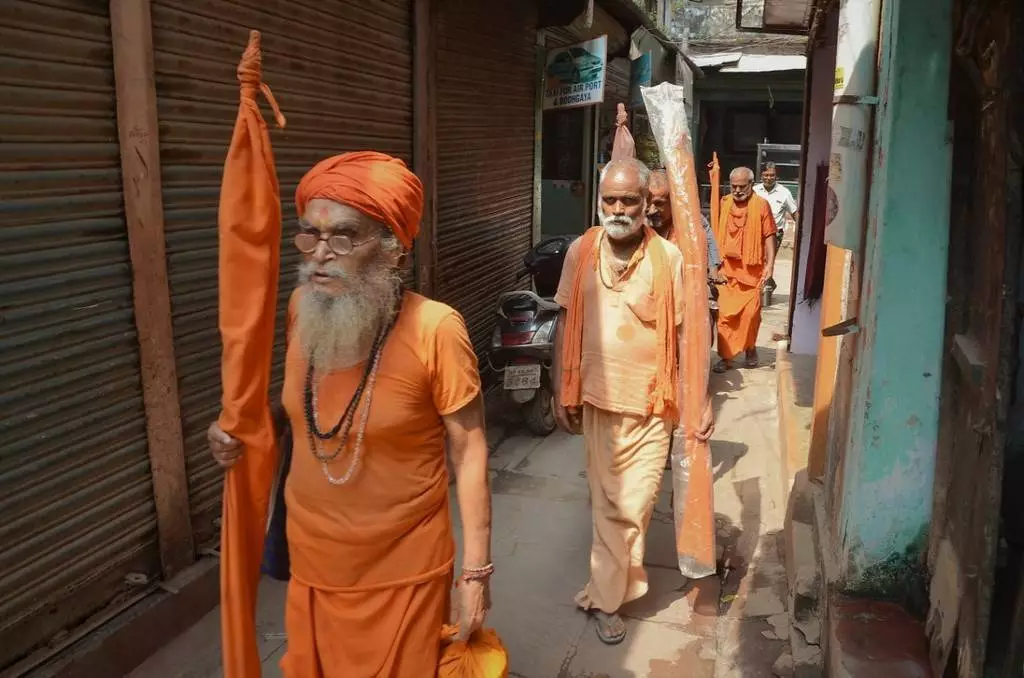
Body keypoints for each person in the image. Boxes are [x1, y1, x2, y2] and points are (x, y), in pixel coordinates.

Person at [206, 152, 493, 676]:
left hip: (403, 573)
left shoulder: (437, 329)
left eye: (342, 237)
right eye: (309, 236)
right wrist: (238, 433)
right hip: (312, 562)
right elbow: (304, 415)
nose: (319, 255)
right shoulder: (300, 308)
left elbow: (470, 450)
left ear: (392, 252)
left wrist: (475, 574)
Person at [552, 157, 714, 645]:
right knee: (607, 507)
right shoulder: (580, 251)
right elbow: (563, 320)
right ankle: (606, 600)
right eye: (610, 200)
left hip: (651, 406)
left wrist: (699, 398)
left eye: (628, 200)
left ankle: (607, 588)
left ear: (647, 205)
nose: (618, 209)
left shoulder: (670, 259)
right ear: (599, 202)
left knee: (635, 505)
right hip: (598, 401)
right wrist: (563, 386)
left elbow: (689, 336)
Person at [713, 167, 777, 372]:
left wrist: (770, 264)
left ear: (751, 184)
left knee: (751, 316)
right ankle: (726, 357)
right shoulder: (724, 203)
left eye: (742, 186)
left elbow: (769, 235)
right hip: (727, 272)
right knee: (724, 317)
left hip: (751, 272)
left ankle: (750, 348)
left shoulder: (761, 205)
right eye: (734, 186)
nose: (738, 190)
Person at [647, 169, 721, 277]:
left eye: (659, 203)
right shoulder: (636, 220)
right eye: (648, 202)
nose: (652, 210)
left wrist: (713, 268)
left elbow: (707, 236)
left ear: (673, 201)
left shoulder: (690, 219)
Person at [753, 161, 798, 291]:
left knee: (767, 261)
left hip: (774, 234)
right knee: (756, 260)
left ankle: (765, 289)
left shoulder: (784, 192)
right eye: (766, 175)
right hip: (756, 232)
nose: (769, 178)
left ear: (776, 176)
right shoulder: (754, 191)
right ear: (761, 176)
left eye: (772, 175)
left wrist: (801, 232)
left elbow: (794, 213)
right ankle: (766, 285)